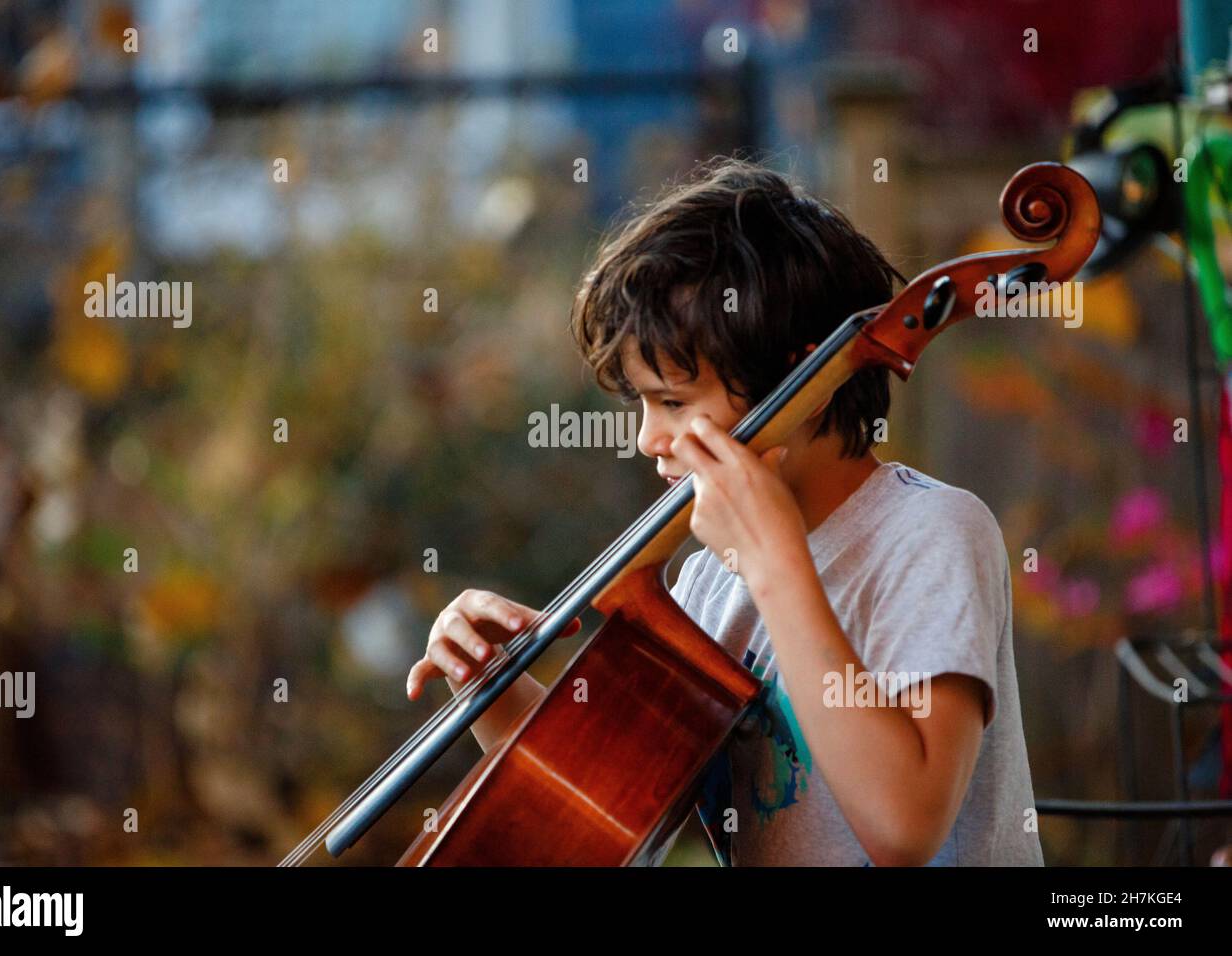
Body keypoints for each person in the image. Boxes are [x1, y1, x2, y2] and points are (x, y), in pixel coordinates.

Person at [405, 156, 1043, 866]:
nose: (648, 438)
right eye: (642, 403)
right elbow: (613, 800)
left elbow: (904, 827)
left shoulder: (933, 536)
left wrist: (775, 566)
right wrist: (491, 683)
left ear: (804, 383)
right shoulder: (708, 583)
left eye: (673, 401)